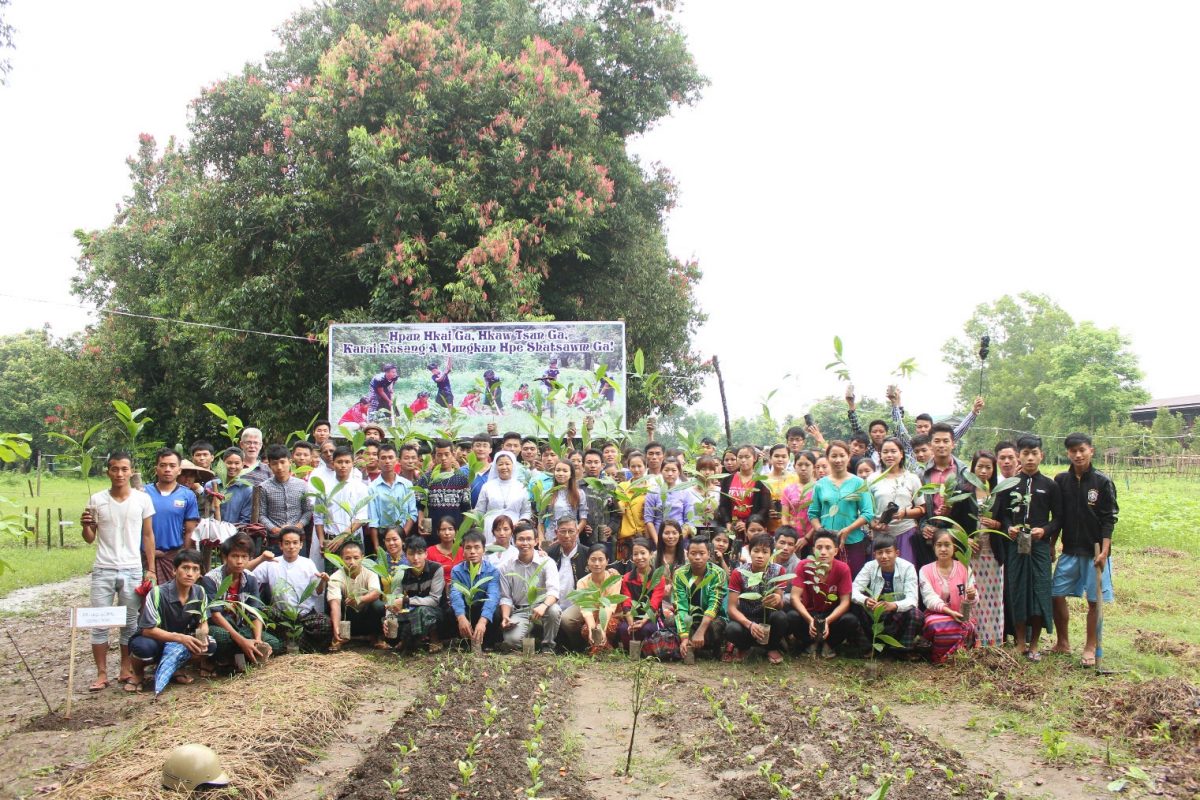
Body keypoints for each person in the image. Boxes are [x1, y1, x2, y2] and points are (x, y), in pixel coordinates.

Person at [80, 452, 157, 692]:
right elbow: (89, 538)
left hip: (132, 568)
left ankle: (125, 667)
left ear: (131, 471)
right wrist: (85, 526)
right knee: (100, 622)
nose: (120, 474)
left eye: (124, 469)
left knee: (130, 622)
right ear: (108, 472)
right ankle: (101, 673)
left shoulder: (142, 499)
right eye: (115, 469)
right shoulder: (97, 499)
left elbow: (148, 535)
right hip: (103, 568)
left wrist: (151, 568)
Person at [1051, 433, 1117, 667]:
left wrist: (1105, 551)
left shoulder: (1102, 482)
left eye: (1082, 450)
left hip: (1094, 551)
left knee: (1094, 601)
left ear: (1091, 451)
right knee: (1055, 594)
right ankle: (1063, 642)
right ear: (1067, 453)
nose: (1078, 455)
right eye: (1073, 451)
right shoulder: (1061, 480)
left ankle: (1090, 646)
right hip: (1070, 550)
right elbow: (1058, 517)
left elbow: (1109, 519)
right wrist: (1052, 544)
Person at [995, 434, 1062, 662]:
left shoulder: (1050, 485)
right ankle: (1020, 641)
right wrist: (1009, 528)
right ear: (1019, 456)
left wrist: (1045, 531)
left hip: (1039, 546)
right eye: (1025, 453)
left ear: (1041, 455)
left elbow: (1058, 518)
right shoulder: (1009, 484)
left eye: (1034, 453)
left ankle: (1034, 645)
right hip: (1016, 545)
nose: (1030, 458)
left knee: (1039, 591)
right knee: (1017, 590)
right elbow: (1002, 514)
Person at [129, 550, 217, 692]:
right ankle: (138, 675)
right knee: (143, 648)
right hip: (156, 639)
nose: (190, 573)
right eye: (185, 568)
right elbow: (148, 630)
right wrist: (180, 638)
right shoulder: (157, 593)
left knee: (209, 645)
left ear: (200, 573)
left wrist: (201, 638)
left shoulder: (199, 591)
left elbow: (203, 622)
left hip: (181, 640)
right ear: (174, 571)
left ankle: (176, 668)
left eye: (195, 569)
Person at [950, 451, 1008, 649]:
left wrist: (997, 524)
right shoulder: (963, 491)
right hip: (971, 554)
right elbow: (953, 522)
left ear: (993, 470)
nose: (983, 471)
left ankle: (992, 640)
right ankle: (970, 639)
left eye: (988, 467)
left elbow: (1006, 520)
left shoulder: (998, 492)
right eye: (980, 466)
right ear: (973, 467)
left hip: (992, 554)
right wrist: (965, 540)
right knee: (971, 595)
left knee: (993, 598)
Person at [201, 533, 281, 670]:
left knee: (274, 643)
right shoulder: (211, 579)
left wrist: (257, 640)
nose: (239, 561)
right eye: (235, 556)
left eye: (244, 557)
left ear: (250, 558)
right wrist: (242, 641)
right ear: (225, 557)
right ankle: (229, 658)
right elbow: (215, 615)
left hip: (241, 626)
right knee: (222, 637)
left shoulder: (250, 578)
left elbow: (255, 611)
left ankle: (238, 657)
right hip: (220, 627)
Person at [253, 526, 331, 651]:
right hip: (281, 616)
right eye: (287, 543)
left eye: (295, 543)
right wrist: (261, 558)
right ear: (280, 545)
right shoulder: (271, 563)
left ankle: (291, 641)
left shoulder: (308, 563)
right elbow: (250, 576)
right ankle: (294, 641)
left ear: (301, 545)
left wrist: (323, 581)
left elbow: (317, 592)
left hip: (304, 616)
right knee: (261, 612)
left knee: (325, 623)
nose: (291, 547)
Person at [790, 530, 864, 657]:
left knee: (850, 620)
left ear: (835, 551)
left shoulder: (843, 568)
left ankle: (829, 644)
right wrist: (810, 620)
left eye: (828, 548)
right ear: (813, 550)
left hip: (831, 614)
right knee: (792, 616)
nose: (823, 552)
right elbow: (794, 597)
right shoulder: (803, 565)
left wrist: (827, 621)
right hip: (809, 612)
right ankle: (810, 643)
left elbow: (845, 602)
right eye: (819, 548)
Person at [808, 441, 874, 578]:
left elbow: (867, 513)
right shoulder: (820, 484)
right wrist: (822, 532)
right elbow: (813, 513)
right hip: (827, 545)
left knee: (853, 579)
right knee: (826, 580)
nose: (838, 460)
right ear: (828, 458)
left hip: (853, 541)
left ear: (848, 457)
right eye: (834, 456)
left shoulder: (859, 483)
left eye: (842, 455)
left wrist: (848, 530)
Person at [851, 533, 923, 654]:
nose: (884, 556)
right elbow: (854, 589)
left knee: (916, 615)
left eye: (888, 552)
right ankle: (867, 647)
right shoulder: (869, 566)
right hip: (875, 613)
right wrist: (865, 600)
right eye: (880, 553)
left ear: (897, 553)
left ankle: (903, 650)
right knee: (855, 605)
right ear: (874, 555)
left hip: (896, 614)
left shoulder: (908, 568)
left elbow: (912, 600)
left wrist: (894, 605)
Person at [498, 523, 561, 654]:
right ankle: (529, 639)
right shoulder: (506, 567)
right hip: (520, 610)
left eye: (529, 539)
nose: (525, 543)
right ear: (514, 541)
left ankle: (548, 646)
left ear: (536, 541)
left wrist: (543, 606)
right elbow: (505, 597)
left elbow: (554, 591)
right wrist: (505, 616)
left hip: (542, 608)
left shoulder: (547, 562)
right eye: (521, 539)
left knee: (554, 610)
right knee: (511, 641)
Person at [726, 534, 789, 664]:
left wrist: (777, 599)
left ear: (771, 554)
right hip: (747, 618)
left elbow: (780, 606)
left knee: (781, 617)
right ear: (750, 552)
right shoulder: (739, 573)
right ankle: (744, 647)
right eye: (756, 551)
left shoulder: (779, 571)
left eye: (765, 552)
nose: (760, 555)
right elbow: (731, 609)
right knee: (731, 629)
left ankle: (772, 647)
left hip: (768, 618)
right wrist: (750, 625)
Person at [919, 529, 977, 664]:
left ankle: (958, 656)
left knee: (967, 625)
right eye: (939, 545)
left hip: (961, 615)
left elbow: (974, 597)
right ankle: (940, 658)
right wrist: (950, 612)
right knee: (936, 625)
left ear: (954, 547)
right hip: (936, 615)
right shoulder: (925, 570)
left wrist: (971, 596)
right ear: (934, 547)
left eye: (947, 545)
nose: (943, 549)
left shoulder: (964, 568)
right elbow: (929, 599)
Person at [917, 423, 969, 571]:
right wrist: (924, 526)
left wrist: (953, 512)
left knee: (957, 574)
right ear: (930, 444)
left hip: (956, 532)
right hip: (931, 533)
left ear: (953, 444)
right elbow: (918, 506)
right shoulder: (922, 474)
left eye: (946, 441)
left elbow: (969, 507)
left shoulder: (964, 473)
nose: (941, 445)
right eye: (937, 441)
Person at [867, 437, 925, 567]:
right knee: (881, 572)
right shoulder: (872, 479)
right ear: (880, 454)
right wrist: (872, 524)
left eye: (893, 451)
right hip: (881, 535)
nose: (889, 455)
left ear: (901, 453)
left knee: (906, 570)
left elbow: (922, 508)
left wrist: (905, 513)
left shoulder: (912, 478)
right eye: (885, 452)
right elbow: (866, 509)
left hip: (905, 532)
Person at [146, 448, 201, 583]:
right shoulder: (143, 493)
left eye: (172, 466)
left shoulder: (188, 495)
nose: (167, 469)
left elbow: (190, 531)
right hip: (145, 556)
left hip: (172, 556)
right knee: (144, 594)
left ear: (179, 470)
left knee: (172, 594)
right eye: (163, 465)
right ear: (156, 469)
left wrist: (185, 558)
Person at [674, 535, 727, 661]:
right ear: (687, 554)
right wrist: (684, 637)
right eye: (693, 553)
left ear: (709, 554)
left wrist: (700, 631)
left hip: (712, 619)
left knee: (716, 626)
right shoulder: (680, 574)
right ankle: (690, 645)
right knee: (671, 622)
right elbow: (680, 606)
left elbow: (714, 603)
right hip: (691, 619)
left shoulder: (718, 573)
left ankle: (710, 647)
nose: (697, 557)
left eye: (702, 553)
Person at [327, 541, 386, 652]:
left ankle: (375, 636)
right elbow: (335, 604)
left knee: (378, 605)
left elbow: (376, 593)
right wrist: (336, 627)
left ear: (362, 557)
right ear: (341, 559)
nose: (352, 562)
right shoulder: (335, 577)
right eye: (347, 558)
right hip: (347, 617)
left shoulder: (371, 573)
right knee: (334, 606)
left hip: (366, 616)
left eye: (356, 558)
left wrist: (359, 599)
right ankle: (339, 637)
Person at [449, 531, 502, 650]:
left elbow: (493, 596)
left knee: (495, 613)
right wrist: (461, 617)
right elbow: (455, 594)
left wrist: (483, 621)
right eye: (468, 548)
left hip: (482, 609)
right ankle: (463, 642)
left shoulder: (492, 571)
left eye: (477, 547)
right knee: (451, 611)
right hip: (466, 608)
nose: (472, 551)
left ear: (484, 550)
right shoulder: (456, 571)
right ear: (463, 551)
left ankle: (488, 644)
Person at [391, 537, 445, 652]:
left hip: (435, 611)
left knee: (423, 611)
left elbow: (434, 600)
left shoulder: (436, 569)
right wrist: (390, 613)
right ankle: (409, 640)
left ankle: (434, 639)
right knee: (391, 621)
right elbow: (394, 597)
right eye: (411, 554)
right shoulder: (401, 572)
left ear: (426, 554)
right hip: (411, 611)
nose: (415, 558)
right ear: (405, 555)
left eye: (419, 553)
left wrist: (407, 601)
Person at [314, 446, 370, 556]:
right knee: (332, 568)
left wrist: (342, 536)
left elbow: (362, 517)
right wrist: (321, 540)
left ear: (352, 464)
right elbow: (318, 516)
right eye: (339, 462)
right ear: (333, 463)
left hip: (353, 539)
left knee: (354, 567)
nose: (343, 465)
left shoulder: (360, 487)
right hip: (330, 541)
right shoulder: (324, 487)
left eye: (347, 462)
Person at [257, 445, 312, 557]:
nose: (279, 467)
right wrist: (274, 529)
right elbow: (261, 514)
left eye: (283, 462)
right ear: (269, 465)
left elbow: (308, 511)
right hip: (275, 541)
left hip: (297, 540)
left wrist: (298, 526)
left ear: (290, 462)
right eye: (274, 463)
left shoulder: (302, 485)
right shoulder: (264, 487)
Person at [615, 538, 667, 650]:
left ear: (651, 554)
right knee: (623, 629)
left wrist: (643, 621)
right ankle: (630, 651)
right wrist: (631, 623)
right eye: (635, 554)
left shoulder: (658, 578)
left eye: (643, 553)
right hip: (632, 616)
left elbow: (654, 604)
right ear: (632, 557)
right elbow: (626, 603)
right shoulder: (627, 578)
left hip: (650, 616)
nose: (639, 557)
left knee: (647, 629)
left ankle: (646, 651)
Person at [548, 517, 591, 649]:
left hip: (580, 603)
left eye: (571, 531)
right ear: (556, 533)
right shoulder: (550, 553)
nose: (567, 536)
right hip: (555, 602)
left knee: (567, 620)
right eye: (563, 531)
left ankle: (579, 646)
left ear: (577, 532)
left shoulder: (587, 553)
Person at [717, 445, 772, 546]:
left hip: (753, 529)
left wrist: (749, 523)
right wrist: (728, 522)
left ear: (754, 458)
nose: (743, 460)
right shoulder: (727, 480)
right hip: (732, 527)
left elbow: (765, 508)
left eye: (747, 457)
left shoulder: (761, 481)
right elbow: (723, 505)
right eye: (740, 457)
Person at [368, 443, 417, 553]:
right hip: (383, 536)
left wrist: (401, 536)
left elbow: (412, 514)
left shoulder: (407, 485)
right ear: (378, 461)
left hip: (404, 535)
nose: (387, 461)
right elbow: (373, 520)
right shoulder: (372, 488)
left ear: (397, 460)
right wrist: (376, 546)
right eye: (383, 458)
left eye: (390, 457)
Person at [572, 545, 622, 652]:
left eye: (601, 559)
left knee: (610, 627)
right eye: (593, 559)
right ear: (588, 561)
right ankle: (602, 648)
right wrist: (592, 628)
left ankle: (605, 648)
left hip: (611, 615)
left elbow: (609, 606)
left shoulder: (614, 579)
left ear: (607, 561)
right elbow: (586, 608)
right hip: (593, 615)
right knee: (587, 630)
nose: (597, 563)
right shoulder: (582, 582)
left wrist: (601, 628)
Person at [474, 451, 532, 543]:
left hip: (514, 527)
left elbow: (526, 511)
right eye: (500, 464)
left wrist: (522, 521)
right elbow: (480, 511)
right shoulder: (487, 486)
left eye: (507, 464)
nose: (504, 467)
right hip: (491, 528)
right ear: (495, 467)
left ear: (513, 466)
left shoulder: (521, 487)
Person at [643, 457, 695, 542]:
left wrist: (677, 541)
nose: (670, 474)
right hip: (658, 537)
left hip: (680, 538)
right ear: (661, 471)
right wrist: (658, 543)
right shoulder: (653, 493)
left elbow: (689, 521)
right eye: (666, 470)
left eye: (674, 470)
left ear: (679, 472)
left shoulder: (685, 493)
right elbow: (649, 520)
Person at [543, 460, 587, 545]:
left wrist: (573, 533)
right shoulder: (547, 493)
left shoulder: (579, 493)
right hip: (551, 537)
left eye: (565, 471)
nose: (560, 473)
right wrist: (542, 539)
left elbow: (583, 519)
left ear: (571, 474)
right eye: (558, 470)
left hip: (571, 537)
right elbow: (541, 520)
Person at [617, 451, 650, 551]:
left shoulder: (651, 489)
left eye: (639, 466)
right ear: (628, 467)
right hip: (627, 537)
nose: (636, 470)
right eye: (633, 466)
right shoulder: (622, 487)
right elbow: (621, 510)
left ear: (645, 467)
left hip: (646, 536)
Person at [425, 516, 464, 584]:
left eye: (450, 529)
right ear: (438, 532)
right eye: (443, 529)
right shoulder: (430, 551)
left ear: (456, 532)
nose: (447, 533)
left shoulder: (463, 552)